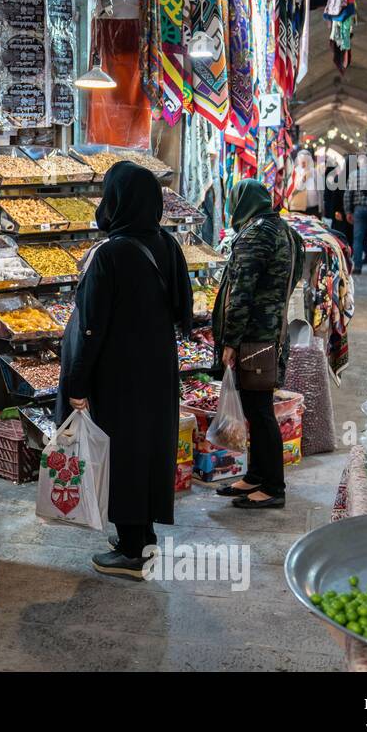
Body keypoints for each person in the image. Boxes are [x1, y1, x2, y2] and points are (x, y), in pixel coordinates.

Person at [55, 162, 192, 579]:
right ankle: (142, 537)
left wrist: (77, 383)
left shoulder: (110, 255)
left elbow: (92, 327)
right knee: (148, 450)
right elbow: (184, 312)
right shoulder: (167, 244)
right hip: (158, 366)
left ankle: (133, 551)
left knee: (122, 455)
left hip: (118, 373)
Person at [213, 180, 304, 510]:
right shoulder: (284, 230)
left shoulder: (256, 234)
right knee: (255, 407)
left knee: (260, 410)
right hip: (271, 332)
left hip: (255, 337)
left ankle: (273, 486)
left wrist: (230, 341)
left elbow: (242, 292)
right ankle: (255, 475)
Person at [343, 155, 367, 274]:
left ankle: (357, 266)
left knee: (357, 239)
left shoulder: (353, 175)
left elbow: (347, 195)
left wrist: (348, 211)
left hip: (358, 210)